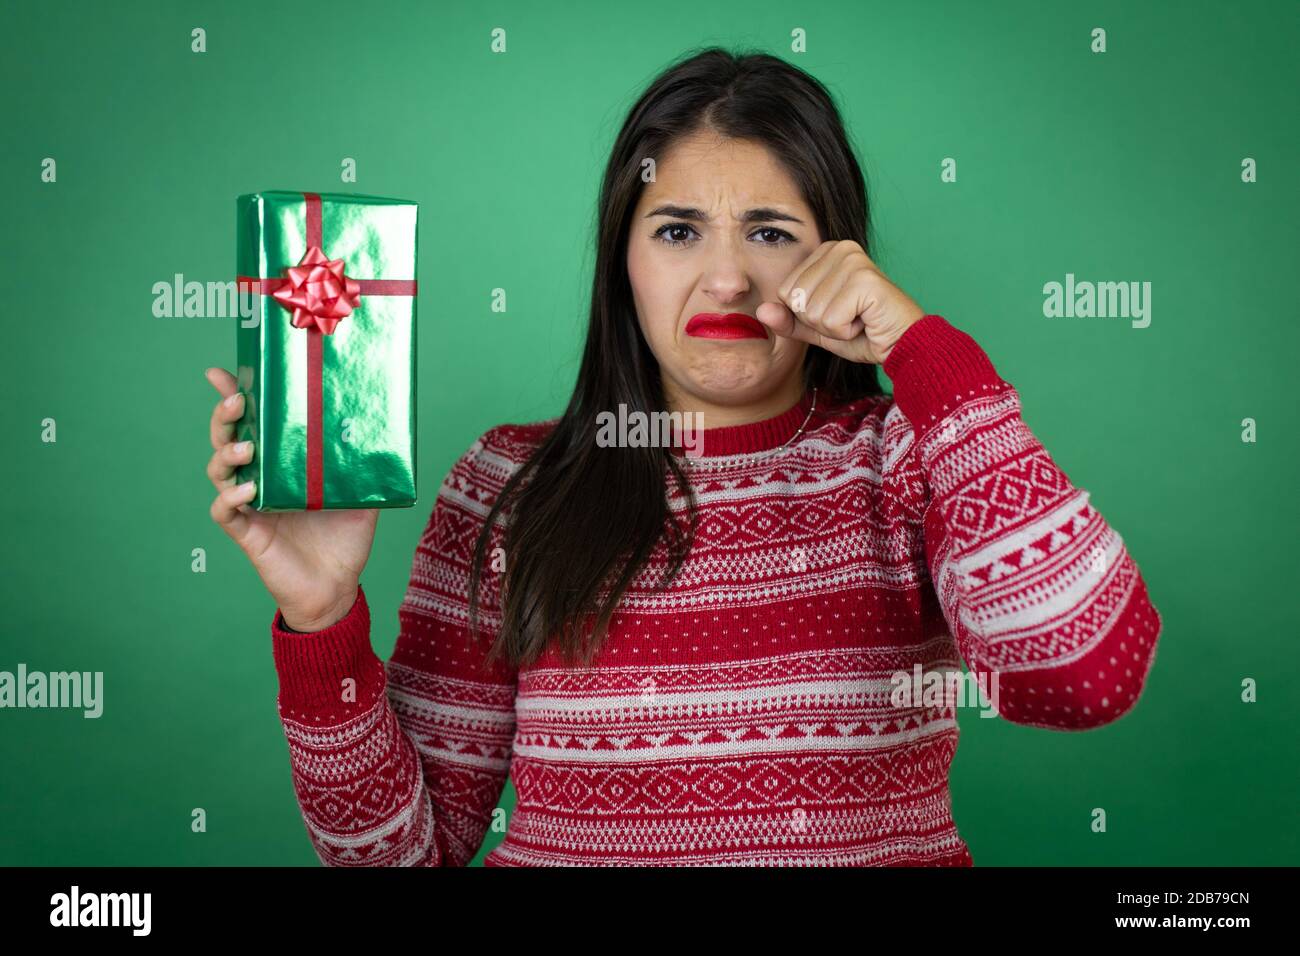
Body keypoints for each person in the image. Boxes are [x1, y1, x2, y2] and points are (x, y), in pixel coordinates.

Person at [204, 46, 1162, 866]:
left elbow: (1080, 674)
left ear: (841, 259)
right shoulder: (509, 485)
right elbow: (406, 856)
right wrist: (321, 613)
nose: (728, 276)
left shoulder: (908, 458)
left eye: (772, 233)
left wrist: (924, 351)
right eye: (676, 230)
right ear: (622, 258)